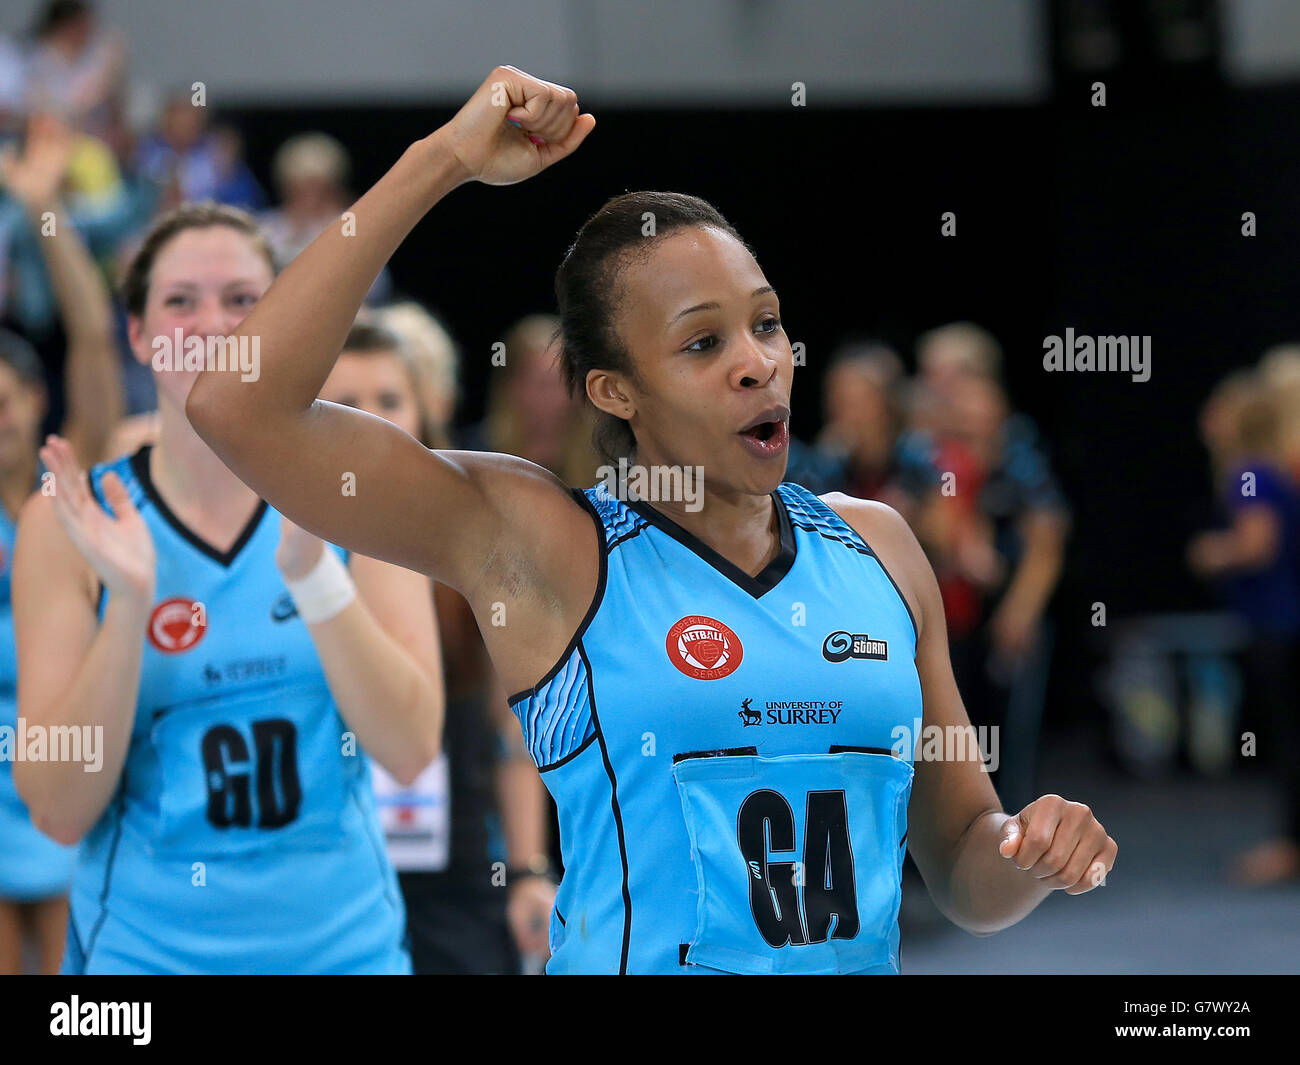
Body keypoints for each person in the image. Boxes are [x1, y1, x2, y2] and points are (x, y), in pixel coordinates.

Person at [187, 65, 1117, 975]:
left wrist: (1025, 850)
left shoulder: (878, 545)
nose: (758, 363)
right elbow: (239, 409)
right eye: (703, 342)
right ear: (614, 389)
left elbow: (958, 859)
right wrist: (442, 161)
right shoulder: (547, 544)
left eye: (767, 323)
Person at [12, 201, 443, 974]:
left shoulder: (355, 487)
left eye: (243, 299)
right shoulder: (72, 519)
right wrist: (129, 604)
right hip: (141, 968)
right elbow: (56, 806)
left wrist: (315, 578)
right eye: (180, 300)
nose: (211, 323)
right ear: (138, 336)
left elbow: (410, 750)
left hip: (346, 954)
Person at [320, 317, 554, 973]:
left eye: (389, 400)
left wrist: (530, 867)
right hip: (328, 865)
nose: (371, 421)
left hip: (461, 863)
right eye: (347, 404)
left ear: (424, 410)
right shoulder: (284, 543)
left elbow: (514, 724)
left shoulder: (479, 541)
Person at [0, 114, 123, 974]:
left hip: (67, 757)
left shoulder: (66, 478)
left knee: (70, 985)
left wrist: (46, 215)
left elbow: (90, 337)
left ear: (34, 399)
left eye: (6, 396)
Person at [1188, 369, 1300, 885]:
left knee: (1287, 740)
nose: (1207, 421)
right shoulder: (1275, 471)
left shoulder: (1247, 474)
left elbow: (1257, 544)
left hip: (1280, 626)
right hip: (1283, 623)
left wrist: (1212, 552)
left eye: (1216, 411)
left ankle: (1288, 847)